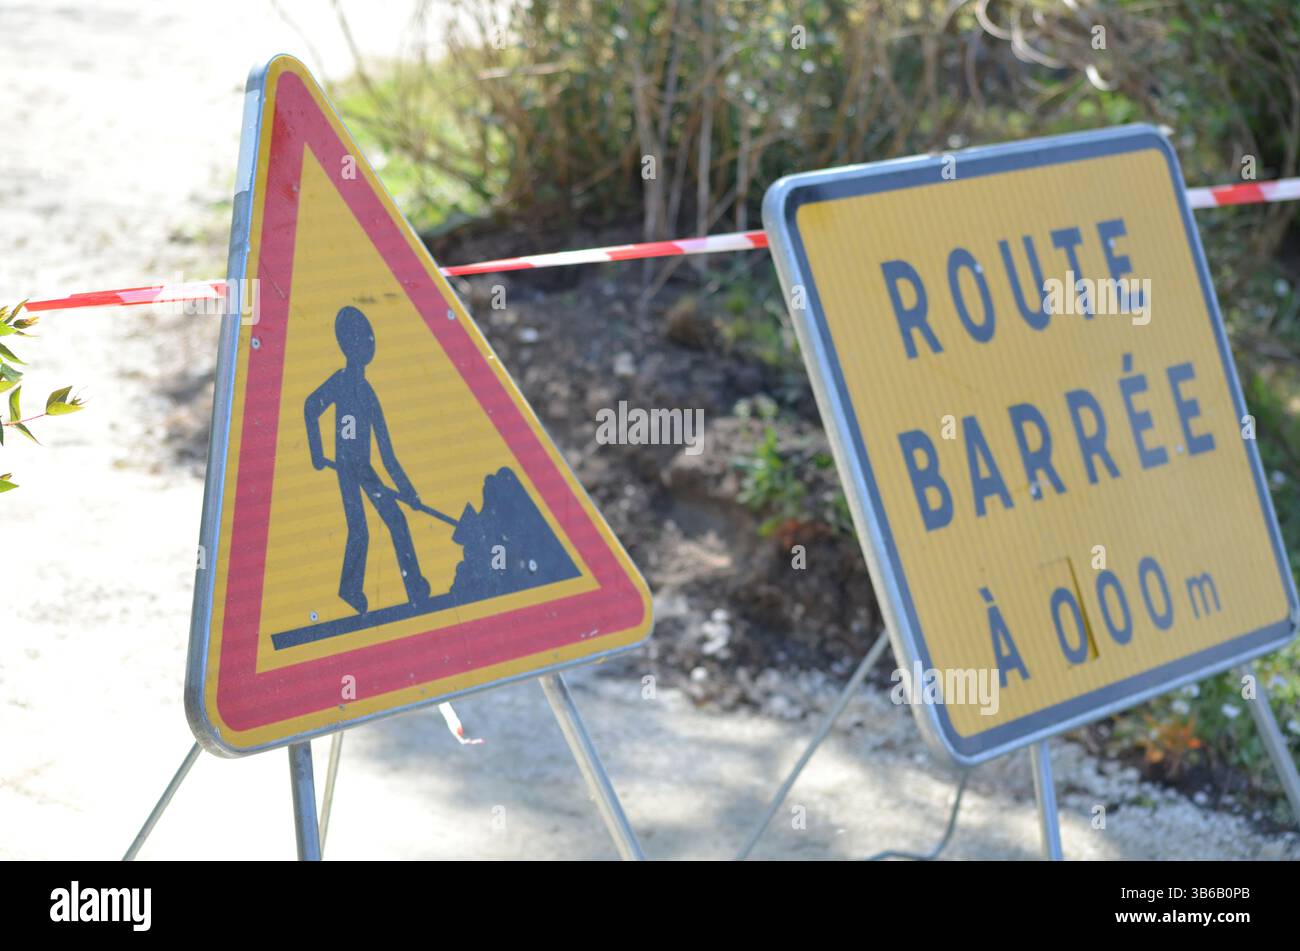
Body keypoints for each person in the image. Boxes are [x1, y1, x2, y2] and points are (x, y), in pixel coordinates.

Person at [304, 305, 431, 614]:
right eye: (360, 341)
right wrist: (317, 453)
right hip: (346, 467)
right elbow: (311, 406)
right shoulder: (341, 381)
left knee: (397, 521)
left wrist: (409, 492)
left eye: (367, 341)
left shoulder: (368, 393)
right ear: (348, 345)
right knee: (359, 529)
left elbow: (387, 453)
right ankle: (351, 589)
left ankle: (414, 587)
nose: (366, 346)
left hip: (365, 468)